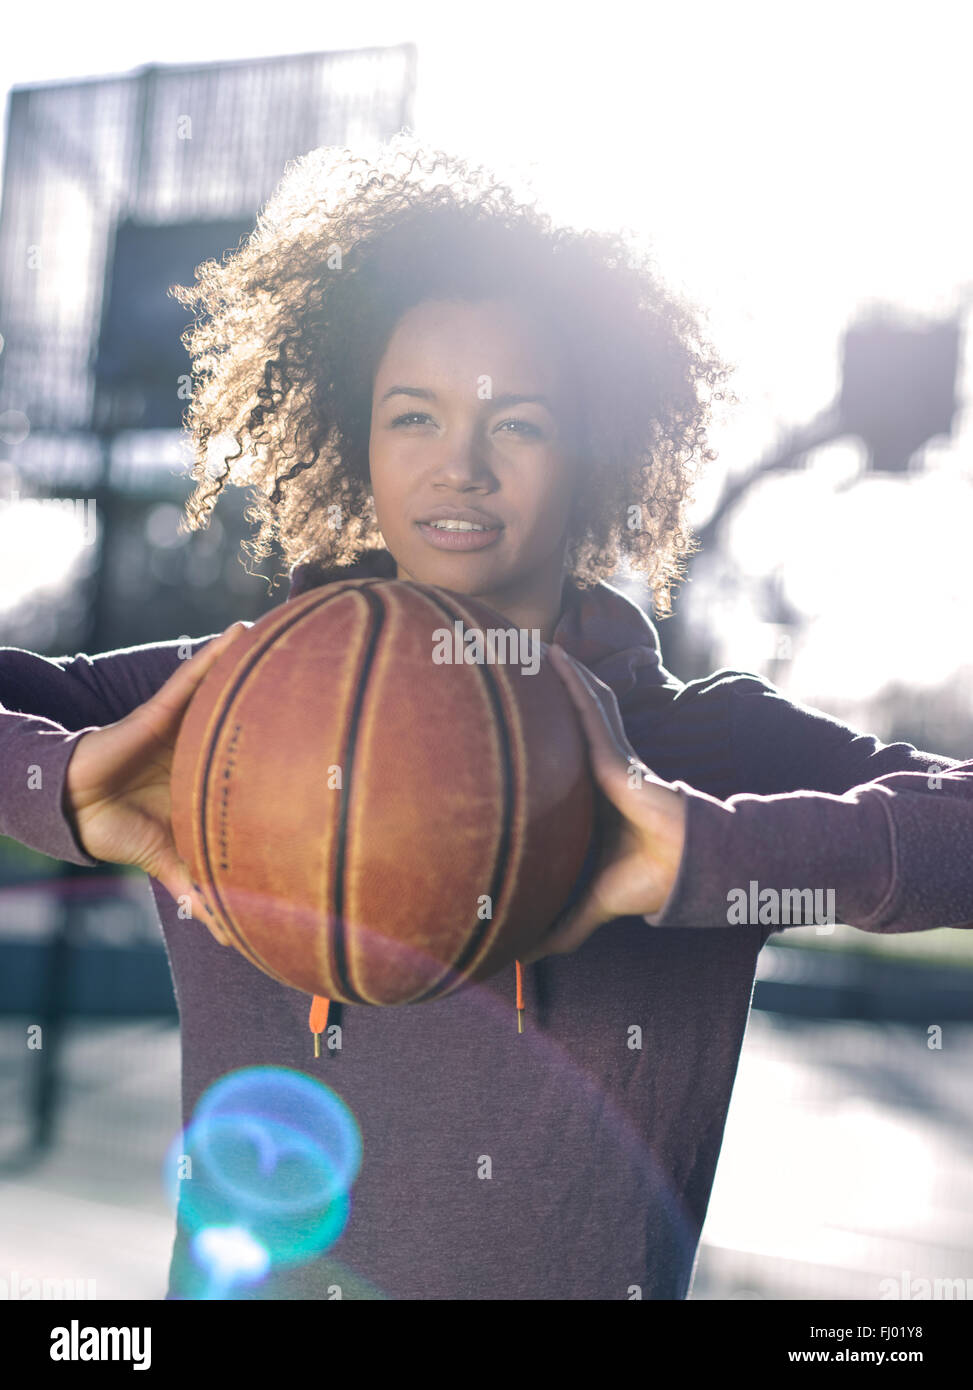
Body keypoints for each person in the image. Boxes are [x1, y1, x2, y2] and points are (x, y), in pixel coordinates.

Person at [2, 133, 972, 1301]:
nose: (458, 466)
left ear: (595, 451)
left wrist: (717, 854)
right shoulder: (222, 705)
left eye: (515, 422)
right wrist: (62, 786)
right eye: (413, 417)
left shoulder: (696, 746)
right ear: (358, 439)